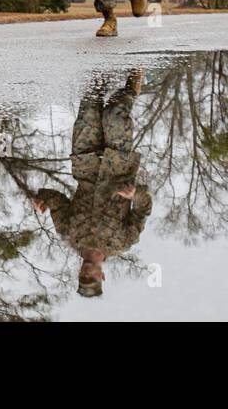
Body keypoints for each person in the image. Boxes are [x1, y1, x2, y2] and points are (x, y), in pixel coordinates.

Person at [33, 70, 151, 297]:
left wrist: (42, 200)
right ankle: (131, 86)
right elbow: (144, 208)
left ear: (78, 273)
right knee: (114, 114)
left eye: (83, 277)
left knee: (89, 104)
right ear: (101, 276)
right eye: (91, 279)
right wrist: (135, 194)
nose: (87, 274)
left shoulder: (70, 235)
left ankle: (102, 62)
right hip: (117, 165)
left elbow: (57, 201)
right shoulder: (122, 242)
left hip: (85, 162)